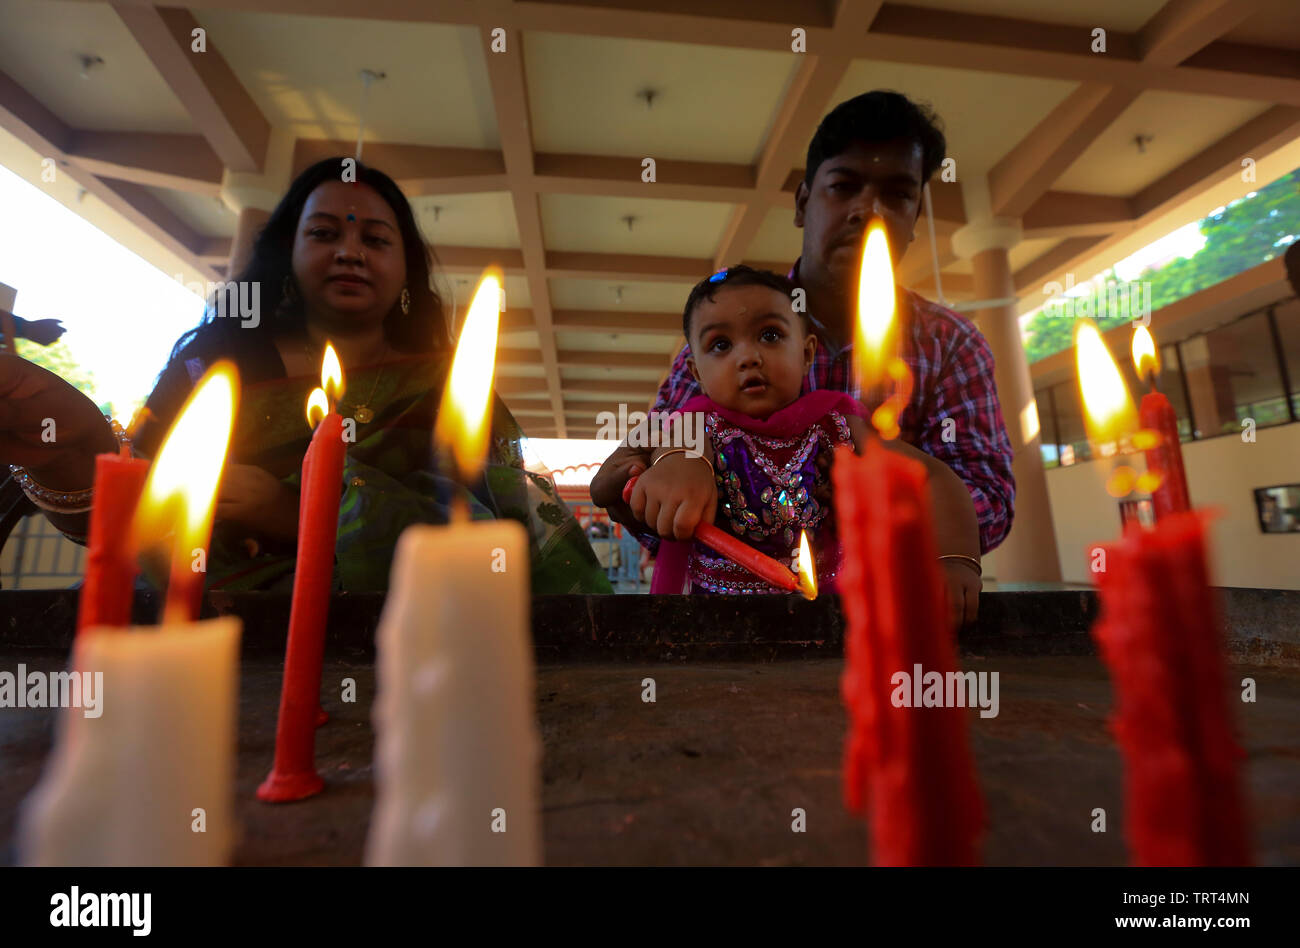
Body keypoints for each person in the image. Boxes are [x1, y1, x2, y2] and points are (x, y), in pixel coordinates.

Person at [1, 157, 611, 595]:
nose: (350, 252)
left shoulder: (449, 389)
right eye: (323, 233)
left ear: (407, 271)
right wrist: (68, 456)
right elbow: (124, 523)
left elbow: (504, 538)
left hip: (413, 645)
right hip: (206, 648)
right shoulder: (211, 369)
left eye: (375, 238)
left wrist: (294, 512)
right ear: (286, 255)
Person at [591, 90, 1014, 626]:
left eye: (898, 194)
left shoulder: (952, 344)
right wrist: (677, 472)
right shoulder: (718, 339)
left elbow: (988, 503)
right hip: (724, 627)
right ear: (801, 202)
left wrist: (860, 510)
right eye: (844, 187)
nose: (870, 211)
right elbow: (652, 465)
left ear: (915, 215)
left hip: (885, 619)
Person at [595, 266, 869, 594]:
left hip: (833, 608)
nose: (748, 357)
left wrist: (946, 557)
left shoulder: (836, 422)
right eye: (721, 344)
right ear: (696, 373)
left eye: (770, 335)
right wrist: (673, 462)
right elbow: (655, 456)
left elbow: (925, 475)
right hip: (722, 618)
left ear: (807, 354)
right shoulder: (695, 425)